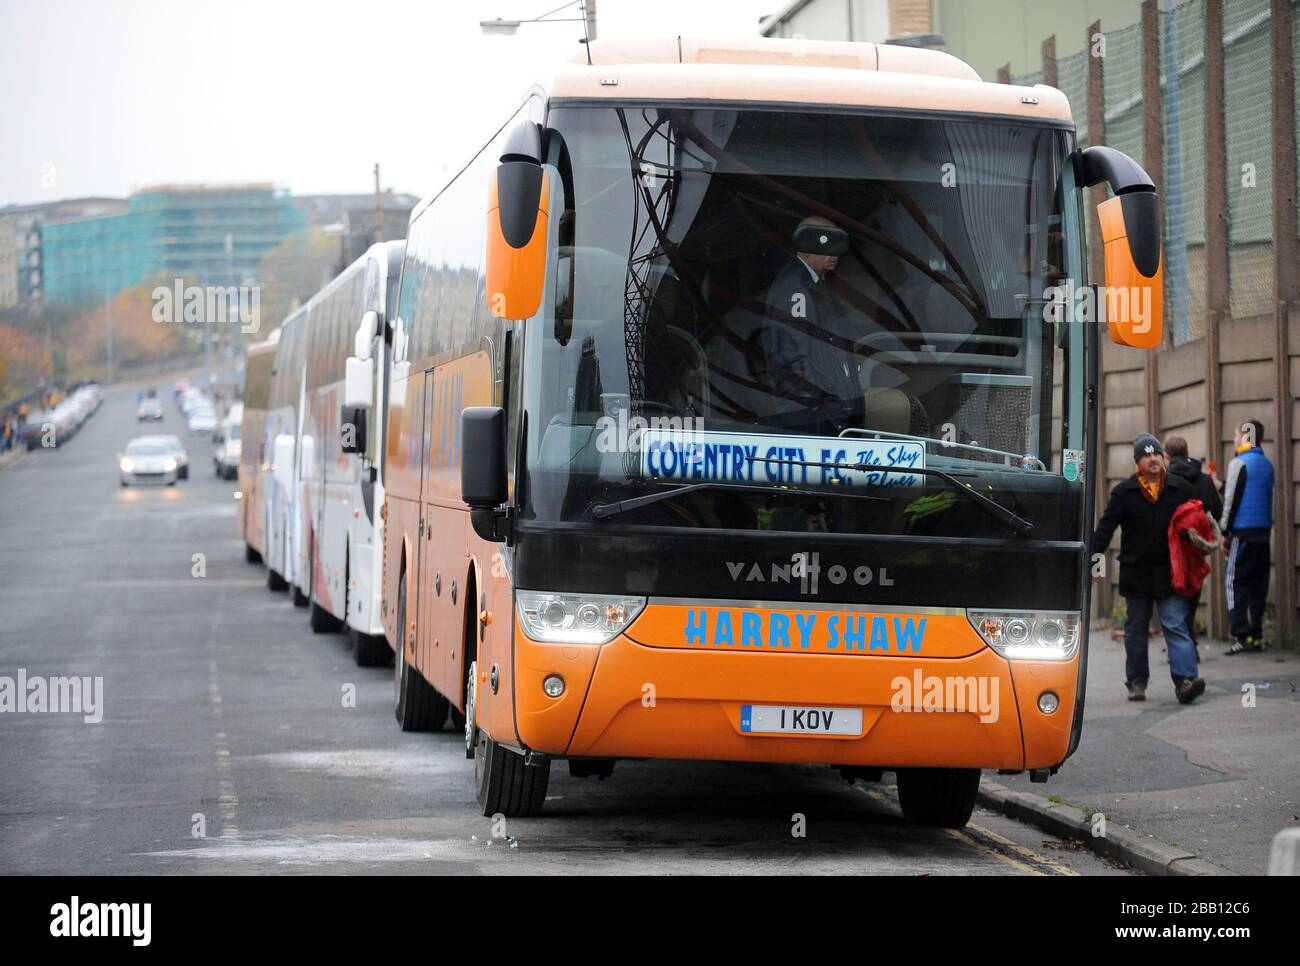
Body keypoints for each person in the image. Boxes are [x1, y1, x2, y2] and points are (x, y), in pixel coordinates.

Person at [1092, 433, 1206, 704]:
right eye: (1147, 454)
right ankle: (1136, 682)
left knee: (1176, 625)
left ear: (1163, 457)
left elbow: (1197, 521)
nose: (1153, 458)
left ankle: (1186, 681)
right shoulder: (1124, 493)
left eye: (1156, 453)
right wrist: (1093, 562)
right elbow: (1104, 531)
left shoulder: (1180, 488)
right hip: (1137, 572)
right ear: (1137, 461)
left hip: (1171, 572)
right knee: (1136, 629)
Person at [754, 215, 863, 434]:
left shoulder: (813, 286)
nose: (834, 254)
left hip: (825, 415)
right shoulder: (794, 289)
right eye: (826, 244)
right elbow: (792, 359)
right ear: (806, 248)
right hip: (813, 420)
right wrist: (831, 403)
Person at [1219, 419, 1275, 655]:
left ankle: (1239, 635)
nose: (1233, 439)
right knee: (1258, 585)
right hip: (1263, 533)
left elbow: (1231, 502)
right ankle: (1255, 635)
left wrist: (1224, 532)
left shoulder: (1238, 463)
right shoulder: (1266, 464)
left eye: (1235, 435)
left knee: (1234, 582)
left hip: (1241, 534)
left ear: (1245, 436)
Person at [1164, 435, 1222, 654]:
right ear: (1187, 452)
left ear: (1167, 456)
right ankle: (1189, 641)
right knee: (1193, 591)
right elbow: (1215, 511)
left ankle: (1182, 645)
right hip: (1198, 547)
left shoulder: (1166, 478)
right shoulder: (1205, 479)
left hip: (1174, 548)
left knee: (1175, 596)